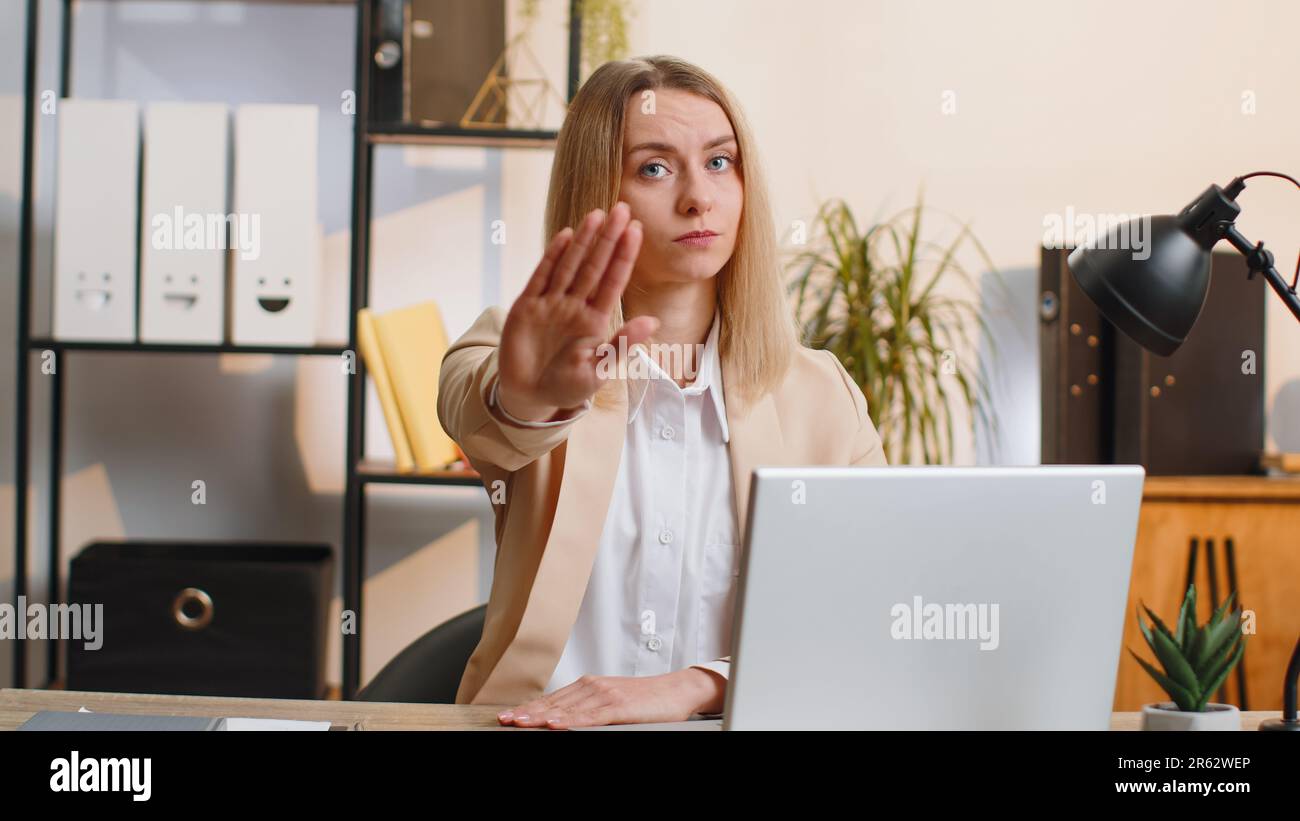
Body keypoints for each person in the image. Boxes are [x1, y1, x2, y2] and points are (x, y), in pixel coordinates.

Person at [437, 55, 887, 729]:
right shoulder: (518, 351)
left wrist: (701, 684)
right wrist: (533, 398)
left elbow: (871, 613)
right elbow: (482, 415)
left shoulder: (823, 395)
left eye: (719, 162)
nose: (698, 198)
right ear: (597, 192)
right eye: (654, 167)